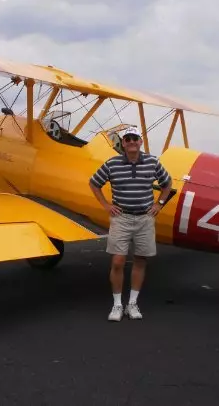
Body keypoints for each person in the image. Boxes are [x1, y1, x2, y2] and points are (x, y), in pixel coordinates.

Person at [89, 126, 173, 321]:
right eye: (128, 139)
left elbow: (167, 183)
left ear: (140, 141)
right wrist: (105, 204)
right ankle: (117, 305)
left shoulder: (152, 162)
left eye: (135, 138)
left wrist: (159, 204)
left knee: (140, 260)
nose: (132, 142)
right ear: (123, 143)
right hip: (122, 217)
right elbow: (94, 183)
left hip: (145, 217)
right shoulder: (112, 164)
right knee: (117, 261)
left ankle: (132, 304)